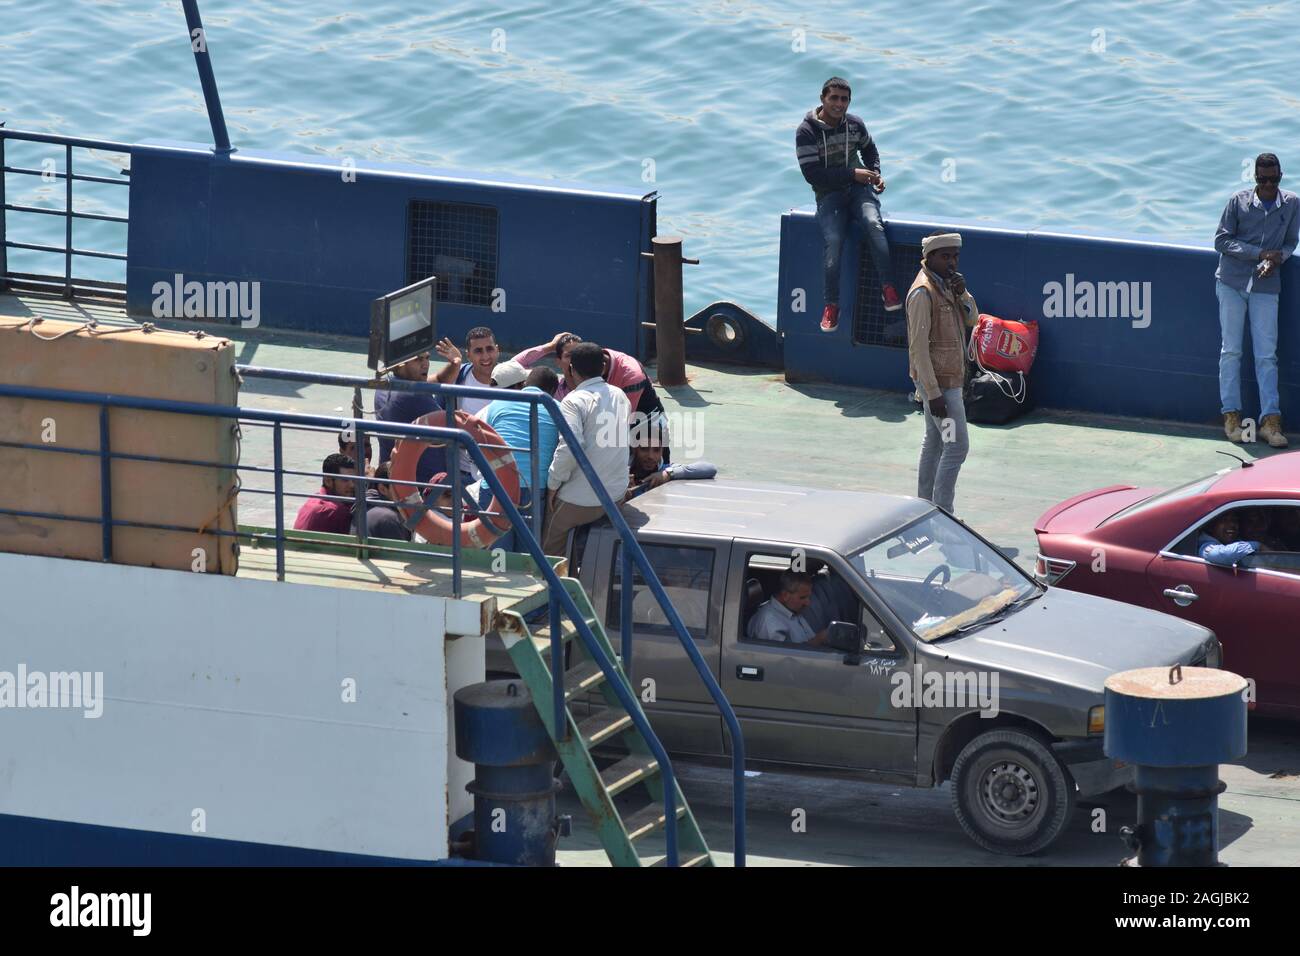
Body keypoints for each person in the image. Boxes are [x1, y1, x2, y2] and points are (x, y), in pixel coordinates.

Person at [796, 76, 902, 334]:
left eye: (844, 99)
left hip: (858, 190)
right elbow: (812, 175)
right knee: (834, 240)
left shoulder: (855, 124)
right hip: (829, 194)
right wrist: (851, 174)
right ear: (822, 98)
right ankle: (831, 305)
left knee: (873, 225)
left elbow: (870, 150)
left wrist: (874, 173)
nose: (839, 104)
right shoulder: (806, 132)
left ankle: (888, 288)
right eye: (834, 98)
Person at [1215, 152, 1298, 448]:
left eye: (1273, 180)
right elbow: (1221, 241)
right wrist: (1258, 254)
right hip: (1231, 283)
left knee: (1266, 355)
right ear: (1255, 178)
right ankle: (1231, 415)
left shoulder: (1291, 204)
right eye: (1262, 180)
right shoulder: (1237, 201)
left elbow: (1290, 241)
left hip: (1266, 286)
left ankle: (1270, 421)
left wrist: (1279, 258)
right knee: (1231, 351)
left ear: (1280, 176)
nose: (1268, 186)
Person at [908, 230, 979, 514]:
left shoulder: (947, 285)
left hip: (948, 380)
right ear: (930, 257)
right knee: (957, 446)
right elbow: (918, 348)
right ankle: (943, 513)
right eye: (945, 256)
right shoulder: (923, 293)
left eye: (956, 256)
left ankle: (924, 507)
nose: (952, 262)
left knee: (935, 442)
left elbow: (972, 318)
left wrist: (963, 292)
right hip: (940, 384)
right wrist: (933, 393)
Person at [543, 342, 630, 555]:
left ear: (572, 369)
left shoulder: (573, 401)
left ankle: (552, 583)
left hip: (581, 499)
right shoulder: (620, 395)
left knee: (548, 547)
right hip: (616, 495)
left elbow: (571, 446)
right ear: (602, 368)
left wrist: (553, 484)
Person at [476, 365, 561, 552]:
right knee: (526, 557)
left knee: (497, 558)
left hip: (495, 486)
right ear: (553, 392)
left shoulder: (497, 404)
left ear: (525, 384)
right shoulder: (556, 408)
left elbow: (481, 445)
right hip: (533, 489)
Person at [515, 332, 668, 429]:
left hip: (641, 426)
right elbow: (513, 367)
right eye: (569, 355)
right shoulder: (556, 389)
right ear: (558, 361)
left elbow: (621, 427)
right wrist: (549, 347)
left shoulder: (627, 378)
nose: (574, 360)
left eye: (578, 354)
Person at [373, 351, 447, 487]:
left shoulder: (383, 386)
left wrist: (455, 363)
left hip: (392, 479)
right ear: (400, 365)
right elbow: (452, 429)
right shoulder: (414, 396)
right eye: (418, 360)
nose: (425, 364)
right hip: (423, 486)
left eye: (427, 358)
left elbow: (437, 379)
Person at [626, 412, 716, 498]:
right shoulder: (621, 473)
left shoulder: (665, 470)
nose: (651, 456)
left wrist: (668, 474)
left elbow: (710, 469)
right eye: (644, 449)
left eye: (656, 450)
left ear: (662, 451)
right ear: (634, 450)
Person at [433, 326, 502, 416]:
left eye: (489, 349)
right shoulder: (455, 375)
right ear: (468, 355)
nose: (485, 356)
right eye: (478, 351)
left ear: (497, 350)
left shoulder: (514, 378)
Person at [746, 571, 828, 646]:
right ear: (785, 595)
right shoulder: (770, 623)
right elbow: (786, 659)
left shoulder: (791, 609)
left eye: (808, 597)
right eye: (803, 598)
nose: (808, 603)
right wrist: (818, 640)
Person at [293, 453, 357, 534]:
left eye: (354, 480)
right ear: (328, 481)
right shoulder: (337, 511)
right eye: (345, 480)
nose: (352, 485)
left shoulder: (313, 499)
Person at [352, 461, 411, 542]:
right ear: (383, 489)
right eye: (401, 486)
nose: (409, 491)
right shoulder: (389, 518)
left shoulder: (364, 505)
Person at [1197, 512, 1262, 567]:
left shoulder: (1236, 542)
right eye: (1224, 520)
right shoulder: (1204, 545)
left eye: (1234, 520)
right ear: (1210, 526)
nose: (1232, 524)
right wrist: (1258, 545)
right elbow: (1223, 555)